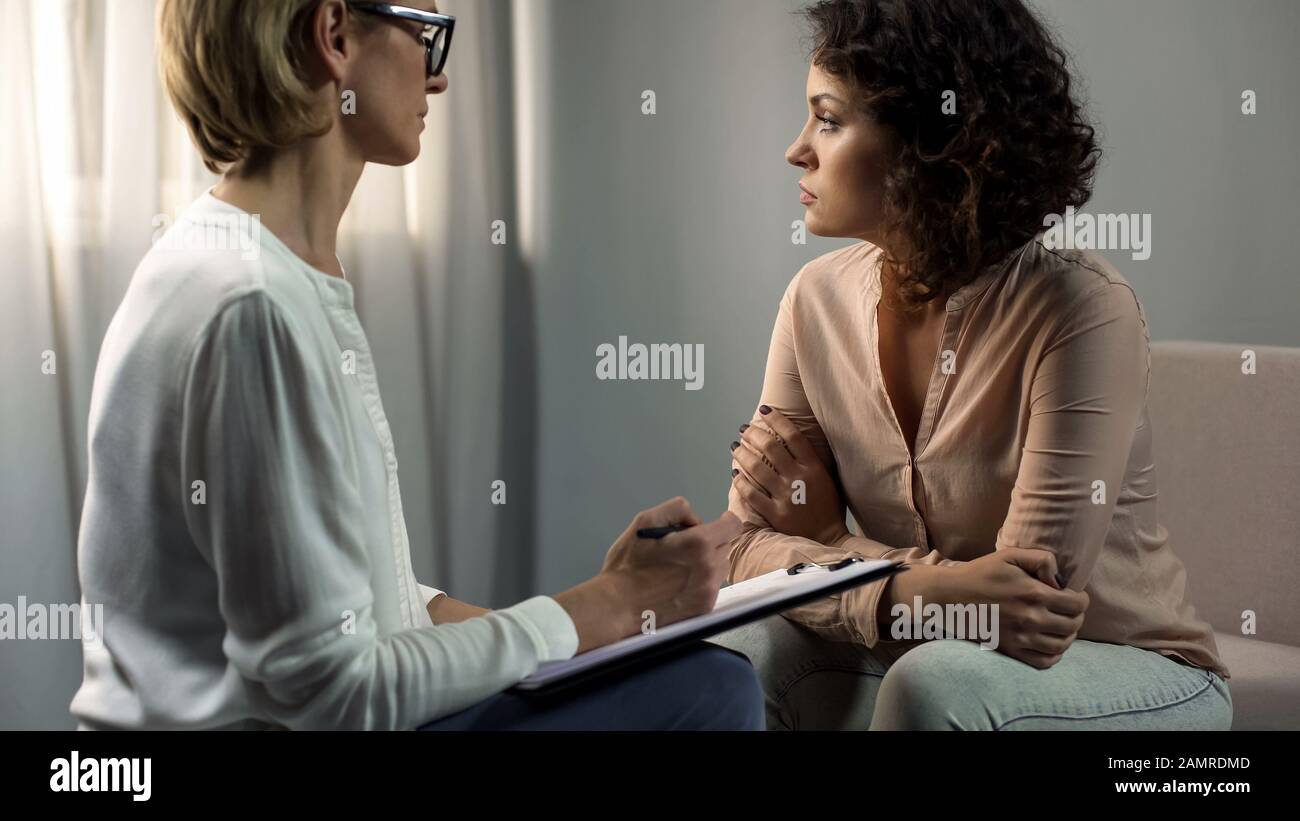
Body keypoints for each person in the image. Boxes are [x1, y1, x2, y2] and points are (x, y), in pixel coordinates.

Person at [70, 0, 761, 731]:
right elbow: (336, 697)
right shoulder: (254, 305)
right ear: (334, 34)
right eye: (426, 34)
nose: (439, 78)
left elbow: (370, 608)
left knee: (680, 671)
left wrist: (601, 617)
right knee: (710, 689)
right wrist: (602, 607)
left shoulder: (248, 267)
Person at [711, 0, 1232, 730]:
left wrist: (830, 542)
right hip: (922, 653)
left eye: (828, 120)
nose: (797, 150)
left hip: (1130, 669)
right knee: (737, 651)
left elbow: (1025, 613)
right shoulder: (812, 301)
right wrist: (916, 592)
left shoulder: (1081, 309)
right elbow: (739, 548)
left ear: (930, 143)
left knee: (936, 684)